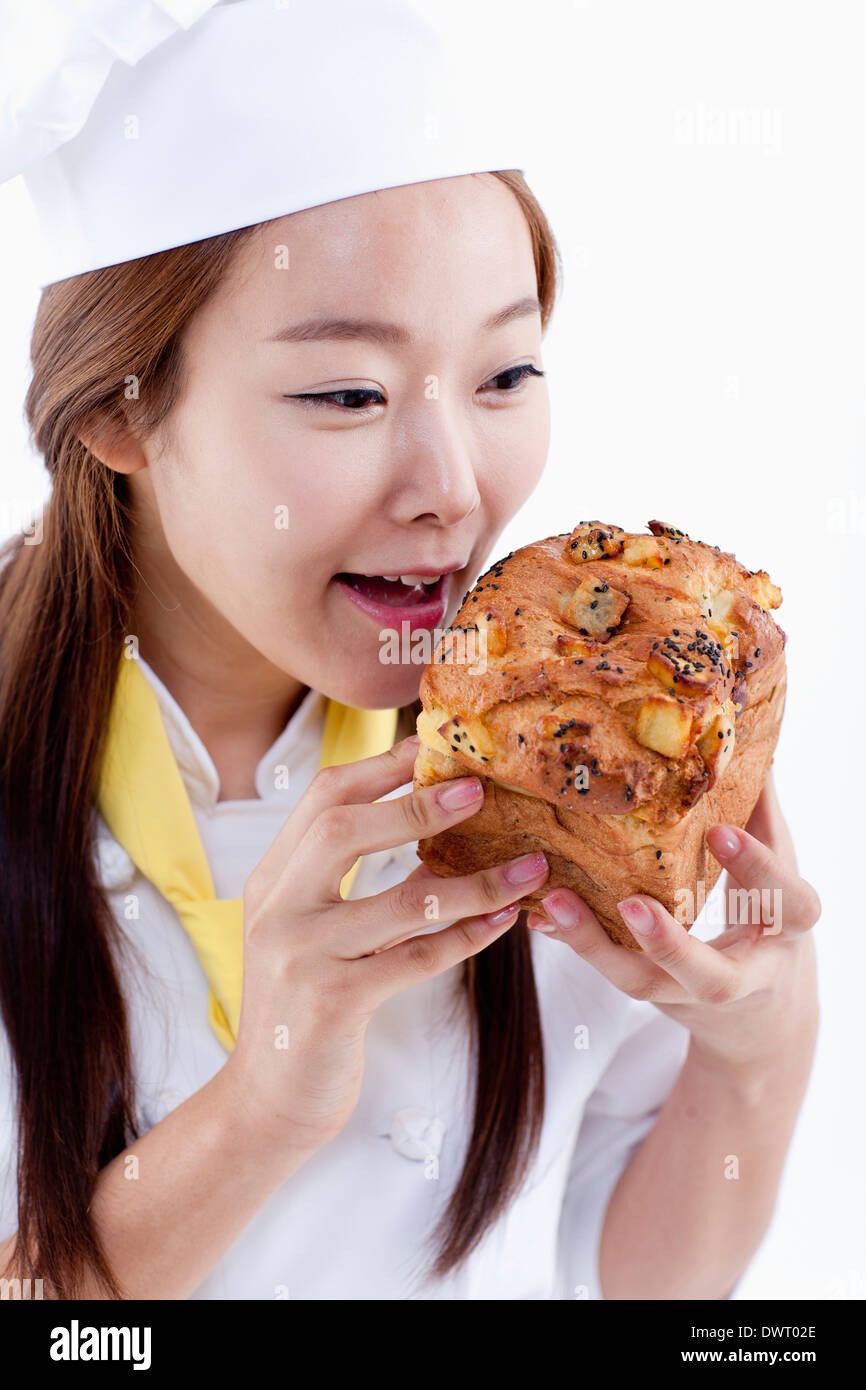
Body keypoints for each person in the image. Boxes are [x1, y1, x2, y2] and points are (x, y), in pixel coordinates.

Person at [0, 0, 820, 1300]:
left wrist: (759, 1043)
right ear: (118, 407)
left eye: (503, 375)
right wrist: (259, 1108)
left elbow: (642, 1287)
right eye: (348, 394)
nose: (451, 487)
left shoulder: (565, 768)